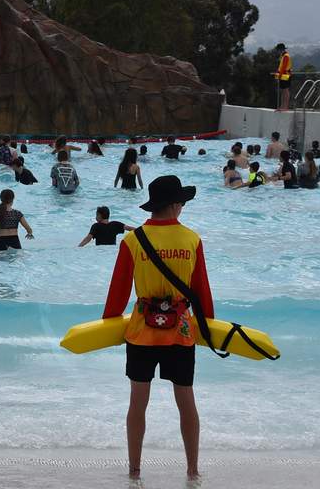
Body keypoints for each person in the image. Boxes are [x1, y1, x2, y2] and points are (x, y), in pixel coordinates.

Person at [101, 175, 214, 480]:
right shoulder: (192, 239)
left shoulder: (132, 240)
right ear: (175, 205)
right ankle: (192, 470)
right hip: (181, 332)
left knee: (138, 403)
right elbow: (201, 292)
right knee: (186, 400)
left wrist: (107, 324)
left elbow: (118, 293)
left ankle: (135, 471)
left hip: (142, 333)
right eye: (183, 204)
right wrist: (209, 329)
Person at [273, 43, 292, 110]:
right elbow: (281, 67)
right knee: (283, 91)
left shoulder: (286, 56)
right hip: (283, 75)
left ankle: (285, 107)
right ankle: (282, 106)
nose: (277, 51)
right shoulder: (283, 56)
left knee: (285, 91)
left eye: (278, 50)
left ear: (280, 50)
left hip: (285, 76)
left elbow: (283, 68)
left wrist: (279, 76)